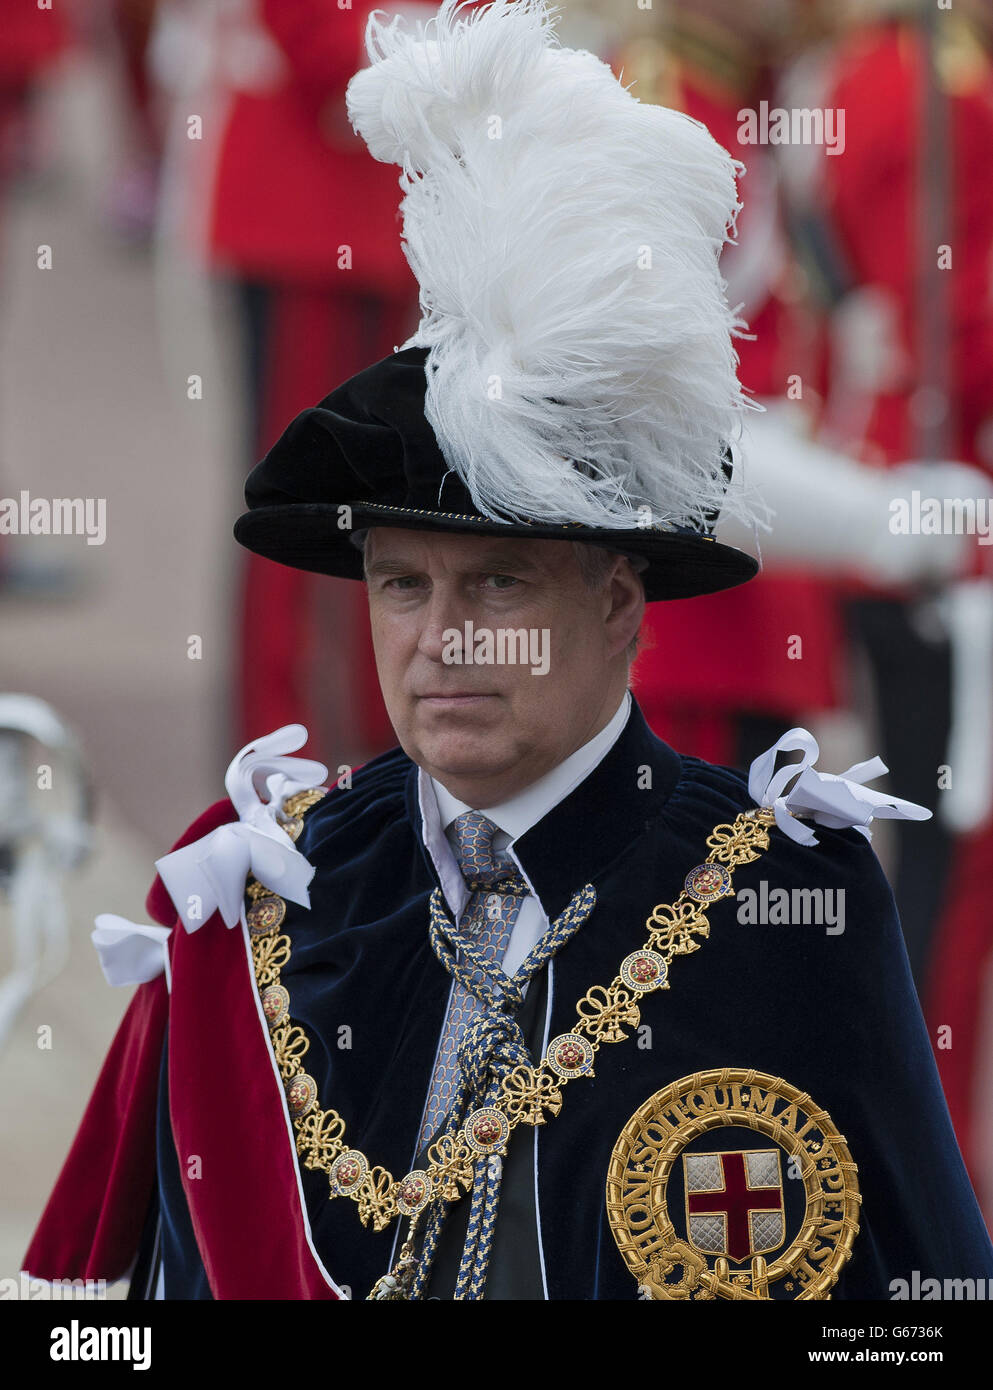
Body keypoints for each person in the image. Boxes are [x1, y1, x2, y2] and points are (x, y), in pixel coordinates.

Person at [23, 0, 993, 1301]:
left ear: (615, 601)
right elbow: (96, 1324)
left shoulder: (778, 902)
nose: (442, 639)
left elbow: (915, 1310)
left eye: (497, 579)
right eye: (400, 585)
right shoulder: (259, 896)